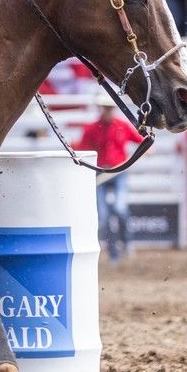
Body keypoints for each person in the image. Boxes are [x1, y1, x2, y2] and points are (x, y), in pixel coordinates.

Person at [75, 94, 144, 263]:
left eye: (109, 108)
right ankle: (114, 253)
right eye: (105, 108)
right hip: (100, 173)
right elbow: (82, 147)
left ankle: (127, 242)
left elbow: (140, 140)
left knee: (120, 209)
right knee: (103, 216)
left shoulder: (122, 126)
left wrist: (146, 148)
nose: (107, 111)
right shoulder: (91, 128)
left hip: (119, 172)